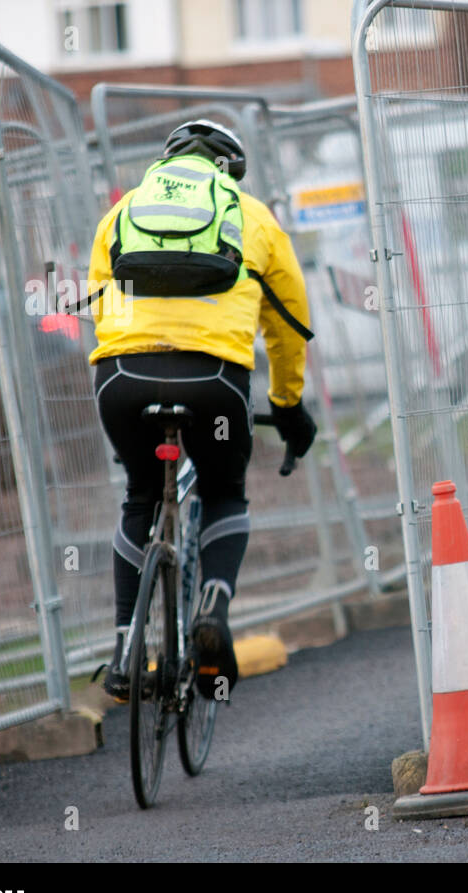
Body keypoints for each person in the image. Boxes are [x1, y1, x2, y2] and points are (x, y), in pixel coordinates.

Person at [87, 118, 316, 702]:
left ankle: (122, 650)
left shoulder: (123, 211)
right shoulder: (252, 216)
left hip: (123, 376)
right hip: (214, 380)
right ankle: (212, 608)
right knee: (222, 488)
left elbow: (95, 301)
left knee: (141, 494)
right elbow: (289, 326)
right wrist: (287, 405)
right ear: (229, 169)